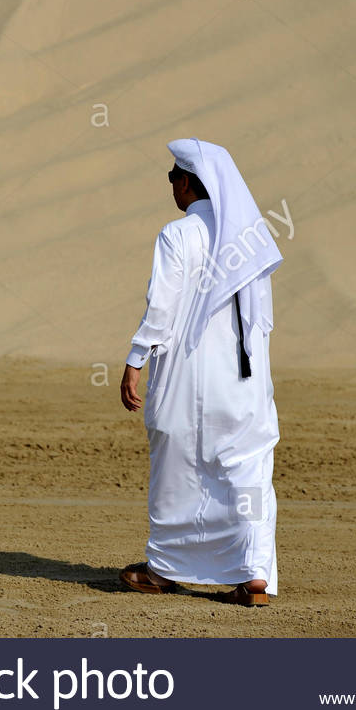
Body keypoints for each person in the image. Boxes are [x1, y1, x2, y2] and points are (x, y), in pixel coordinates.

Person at [119, 137, 284, 605]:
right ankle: (254, 577)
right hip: (246, 382)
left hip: (189, 378)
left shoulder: (178, 235)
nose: (172, 186)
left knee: (178, 467)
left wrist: (136, 359)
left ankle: (164, 569)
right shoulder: (254, 240)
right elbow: (262, 322)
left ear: (188, 183)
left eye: (173, 178)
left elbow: (162, 308)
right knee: (246, 473)